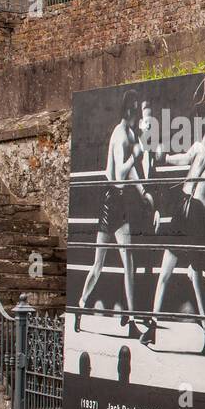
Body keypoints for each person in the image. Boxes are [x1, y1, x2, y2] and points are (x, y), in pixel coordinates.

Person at [75, 91, 154, 335]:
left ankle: (130, 320)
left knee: (128, 259)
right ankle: (81, 306)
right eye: (135, 109)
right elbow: (120, 173)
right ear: (128, 110)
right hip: (110, 198)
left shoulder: (131, 134)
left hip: (119, 200)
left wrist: (143, 193)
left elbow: (130, 175)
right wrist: (135, 157)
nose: (138, 114)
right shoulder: (119, 135)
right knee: (98, 263)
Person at [140, 134, 205, 354]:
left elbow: (184, 158)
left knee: (165, 273)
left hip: (186, 211)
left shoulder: (200, 150)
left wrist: (163, 158)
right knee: (195, 275)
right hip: (200, 221)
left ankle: (153, 327)